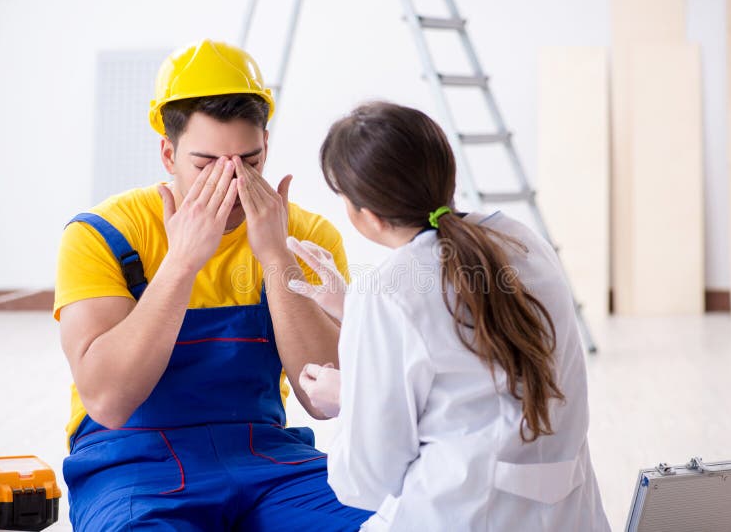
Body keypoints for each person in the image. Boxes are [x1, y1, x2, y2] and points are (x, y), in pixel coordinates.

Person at [54, 39, 372, 530]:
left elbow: (322, 398)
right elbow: (109, 402)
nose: (233, 185)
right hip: (131, 466)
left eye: (251, 161)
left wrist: (276, 256)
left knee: (384, 521)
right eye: (206, 166)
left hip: (266, 457)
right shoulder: (101, 235)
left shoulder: (306, 237)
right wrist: (182, 262)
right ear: (168, 153)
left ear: (267, 146)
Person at [289, 101, 611, 531]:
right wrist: (353, 311)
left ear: (363, 214)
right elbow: (475, 364)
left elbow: (363, 482)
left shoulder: (386, 292)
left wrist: (351, 397)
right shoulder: (521, 241)